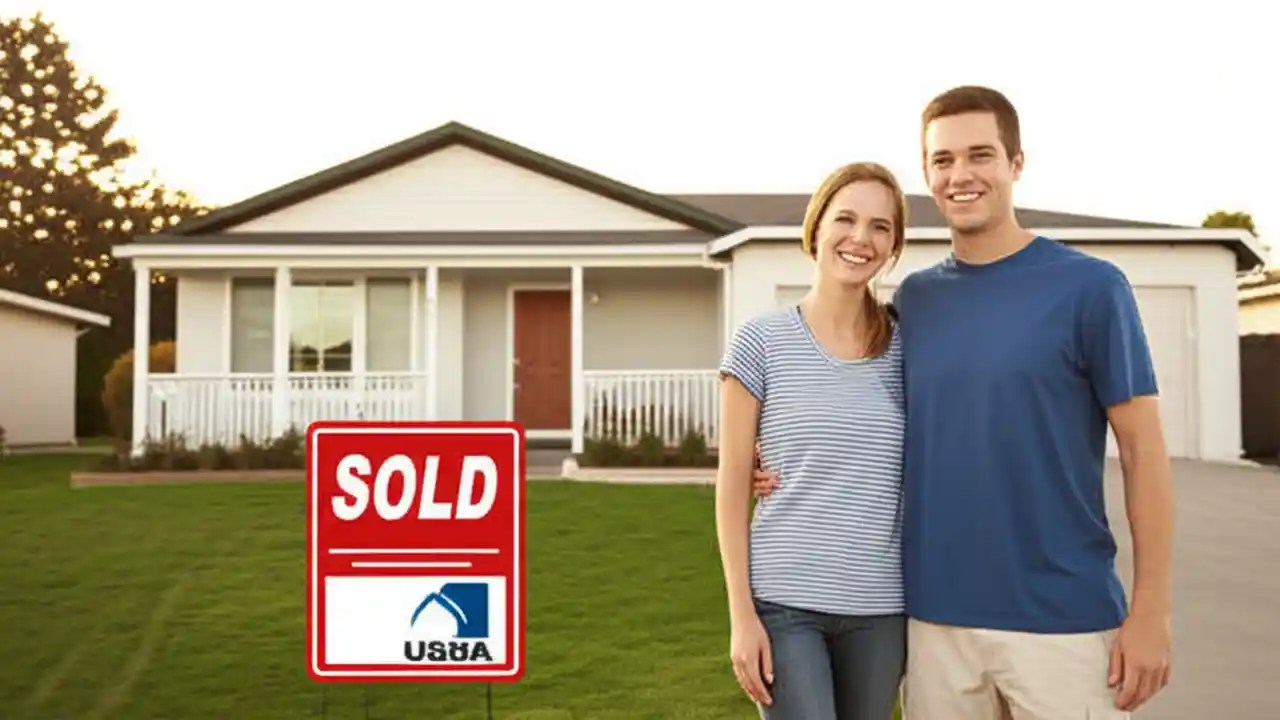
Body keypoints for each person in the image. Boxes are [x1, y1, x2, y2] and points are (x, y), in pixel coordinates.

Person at [753, 85, 1175, 718]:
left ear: (1016, 163)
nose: (960, 175)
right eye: (943, 160)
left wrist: (1151, 610)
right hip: (934, 625)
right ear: (927, 174)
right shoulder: (915, 303)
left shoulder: (1091, 288)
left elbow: (1145, 452)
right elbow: (850, 403)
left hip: (1062, 621)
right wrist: (763, 459)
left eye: (980, 155)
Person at [715, 161, 911, 719]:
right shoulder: (760, 342)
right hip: (784, 606)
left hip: (881, 609)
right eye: (845, 219)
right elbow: (732, 484)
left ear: (893, 246)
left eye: (880, 226)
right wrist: (741, 616)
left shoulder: (909, 347)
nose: (860, 238)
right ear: (816, 227)